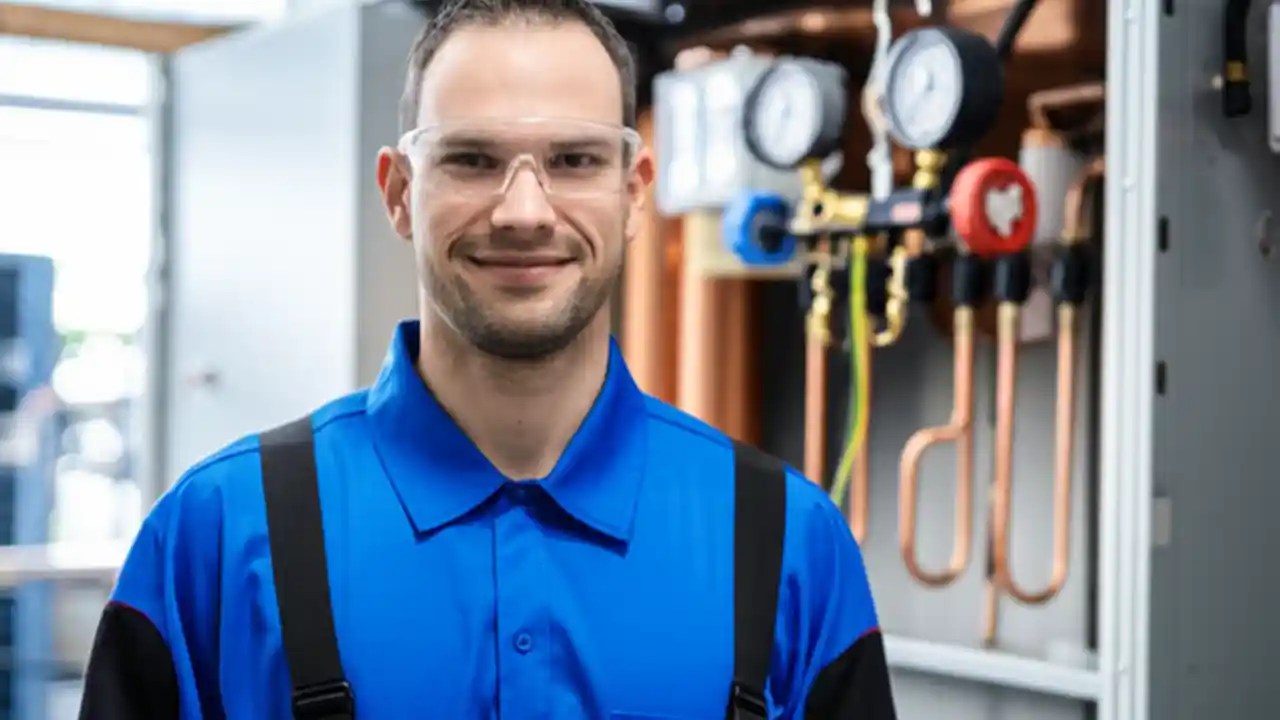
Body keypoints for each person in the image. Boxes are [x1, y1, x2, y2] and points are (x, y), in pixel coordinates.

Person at [77, 1, 897, 718]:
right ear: (400, 192)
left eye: (574, 161)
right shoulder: (217, 536)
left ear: (635, 191)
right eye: (471, 159)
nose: (524, 212)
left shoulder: (789, 545)